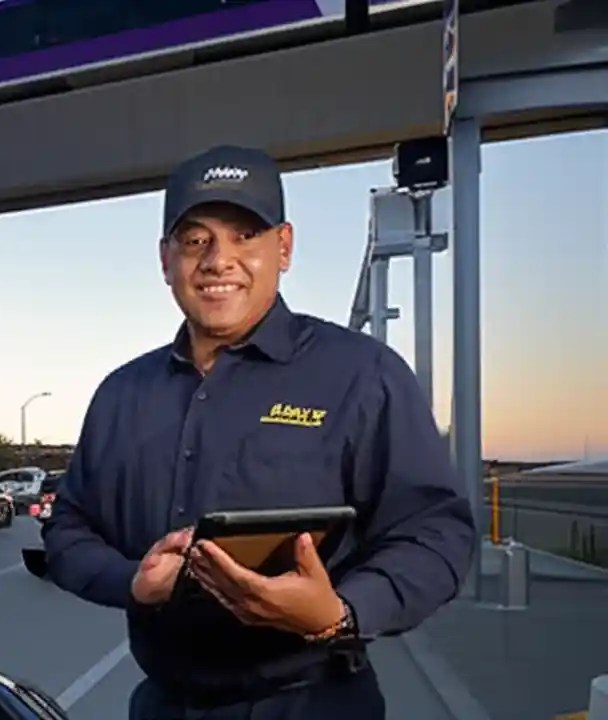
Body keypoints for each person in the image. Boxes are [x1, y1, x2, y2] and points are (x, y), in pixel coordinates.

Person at [42, 144, 476, 719]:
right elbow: (67, 529)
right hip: (163, 706)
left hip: (310, 704)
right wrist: (132, 583)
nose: (218, 260)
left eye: (245, 235)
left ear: (284, 247)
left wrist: (339, 613)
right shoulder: (121, 395)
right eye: (195, 240)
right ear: (166, 259)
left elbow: (436, 532)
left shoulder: (363, 375)